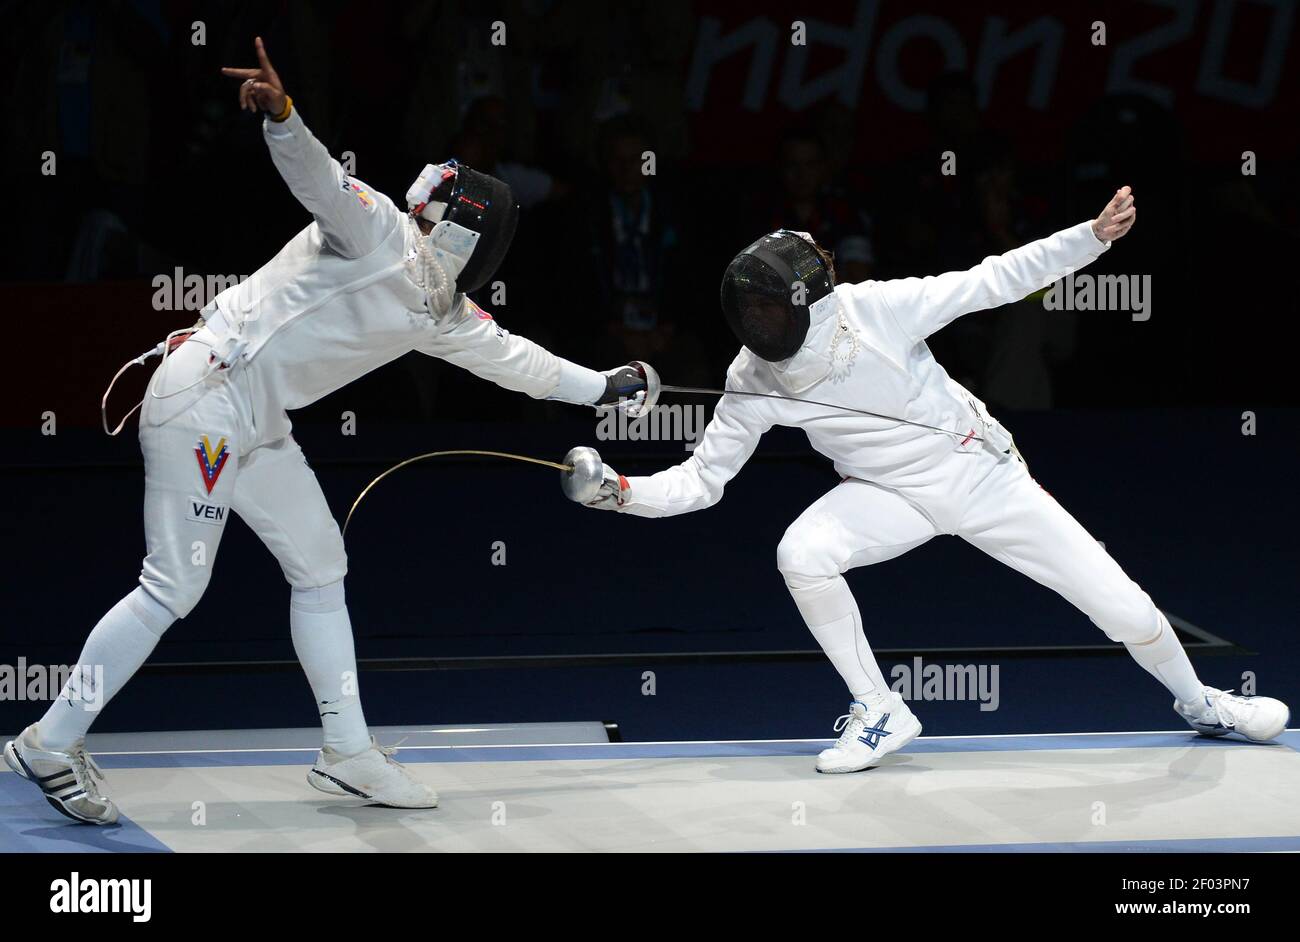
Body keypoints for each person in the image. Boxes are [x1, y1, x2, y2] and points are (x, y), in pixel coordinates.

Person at [4, 37, 651, 824]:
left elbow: (521, 363)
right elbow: (317, 177)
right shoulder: (375, 227)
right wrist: (282, 113)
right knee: (174, 584)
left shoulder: (438, 308)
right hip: (207, 394)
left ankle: (347, 754)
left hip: (256, 423)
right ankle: (49, 740)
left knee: (319, 564)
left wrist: (607, 389)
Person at [568, 186, 1289, 773]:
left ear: (804, 301)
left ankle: (1201, 703)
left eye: (766, 306)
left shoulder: (877, 308)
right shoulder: (751, 376)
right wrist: (619, 493)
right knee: (803, 552)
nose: (754, 321)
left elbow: (994, 280)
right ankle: (881, 709)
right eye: (746, 308)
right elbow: (702, 481)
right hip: (890, 496)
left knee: (1123, 610)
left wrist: (1091, 237)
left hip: (981, 476)